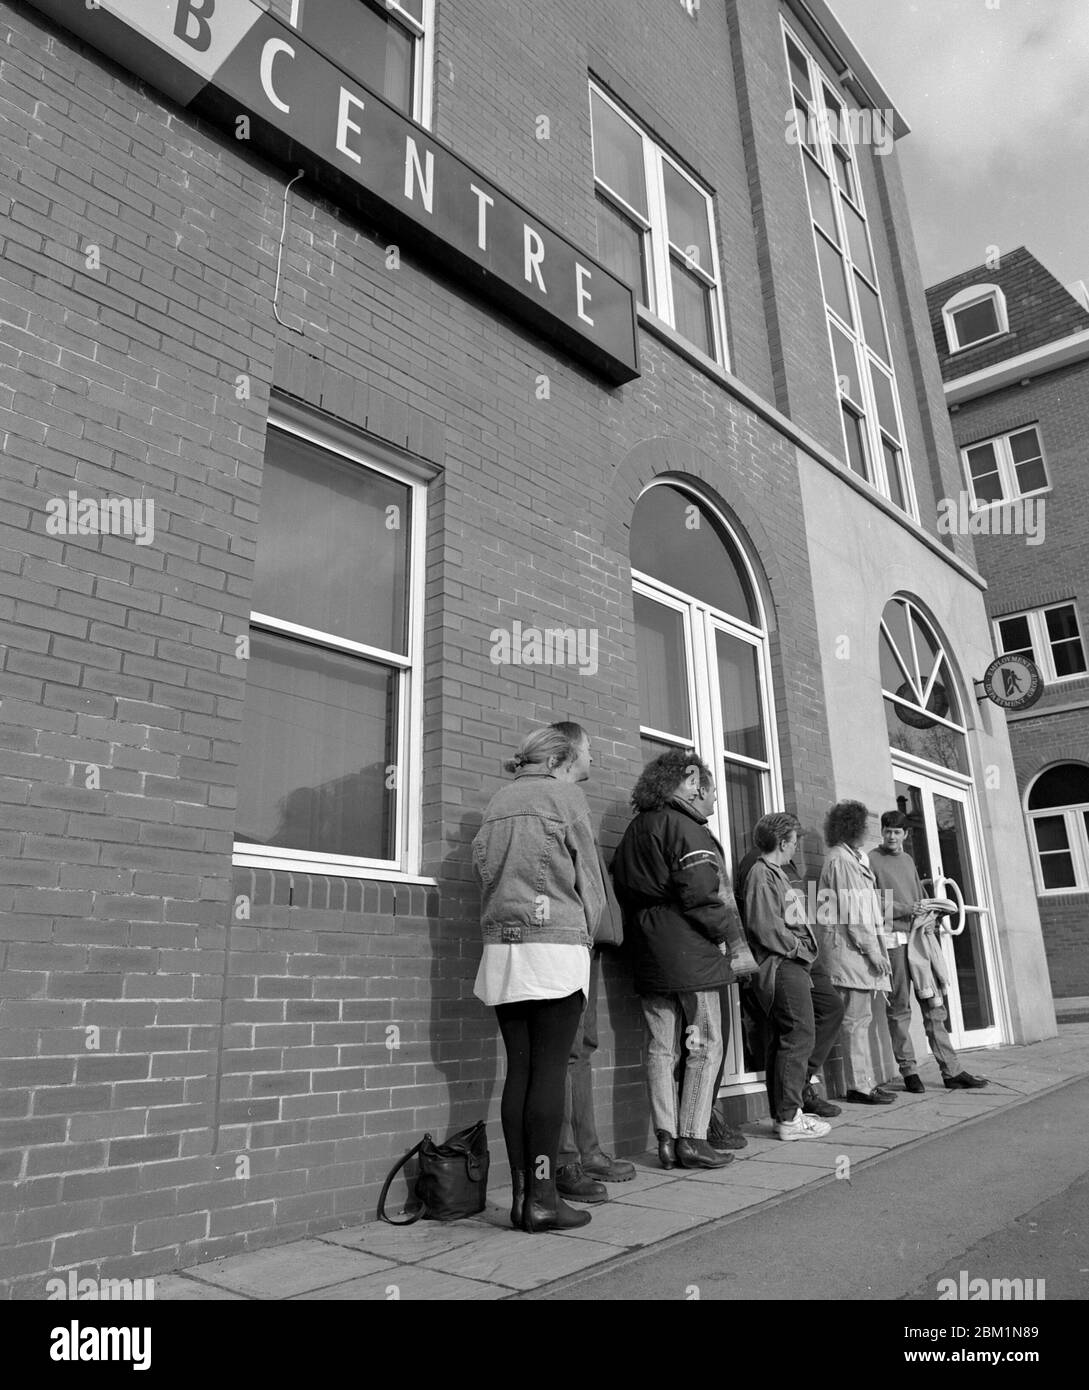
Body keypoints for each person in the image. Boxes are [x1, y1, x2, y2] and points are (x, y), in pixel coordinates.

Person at [472, 722, 606, 1233]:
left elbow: (484, 876)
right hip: (555, 949)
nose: (592, 758)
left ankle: (525, 1197)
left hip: (503, 951)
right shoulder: (565, 799)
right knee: (550, 1075)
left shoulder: (498, 802)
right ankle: (544, 1199)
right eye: (589, 751)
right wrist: (587, 936)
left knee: (521, 1074)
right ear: (564, 757)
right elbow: (589, 883)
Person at [612, 750, 758, 1171]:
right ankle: (692, 1137)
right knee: (705, 1042)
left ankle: (666, 1136)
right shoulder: (685, 827)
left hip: (647, 949)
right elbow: (701, 895)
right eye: (711, 793)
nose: (712, 804)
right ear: (691, 781)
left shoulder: (636, 828)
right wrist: (729, 935)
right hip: (688, 951)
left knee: (661, 1047)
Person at [869, 811, 987, 1091]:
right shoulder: (871, 859)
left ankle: (952, 1071)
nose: (891, 836)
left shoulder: (908, 860)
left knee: (934, 1005)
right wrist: (905, 909)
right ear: (882, 831)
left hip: (919, 940)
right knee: (900, 1007)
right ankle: (909, 1072)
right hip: (893, 941)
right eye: (887, 830)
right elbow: (870, 902)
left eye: (897, 832)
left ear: (906, 835)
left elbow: (919, 899)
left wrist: (933, 914)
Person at [735, 831, 844, 1120]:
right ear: (782, 841)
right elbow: (764, 925)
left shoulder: (782, 869)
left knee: (802, 1026)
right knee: (796, 1032)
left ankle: (790, 1104)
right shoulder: (759, 869)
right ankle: (789, 1113)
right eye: (794, 840)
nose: (797, 845)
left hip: (800, 957)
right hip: (784, 960)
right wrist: (798, 948)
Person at [555, 842, 637, 1204]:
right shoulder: (556, 803)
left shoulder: (573, 805)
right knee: (564, 1051)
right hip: (564, 942)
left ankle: (587, 1152)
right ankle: (566, 1159)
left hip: (587, 942)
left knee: (583, 1046)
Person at [818, 800, 896, 1105]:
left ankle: (862, 1083)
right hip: (851, 951)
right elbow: (854, 911)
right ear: (854, 827)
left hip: (851, 950)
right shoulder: (843, 861)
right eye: (865, 825)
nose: (869, 831)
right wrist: (872, 950)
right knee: (855, 1020)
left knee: (857, 1019)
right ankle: (860, 1086)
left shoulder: (848, 858)